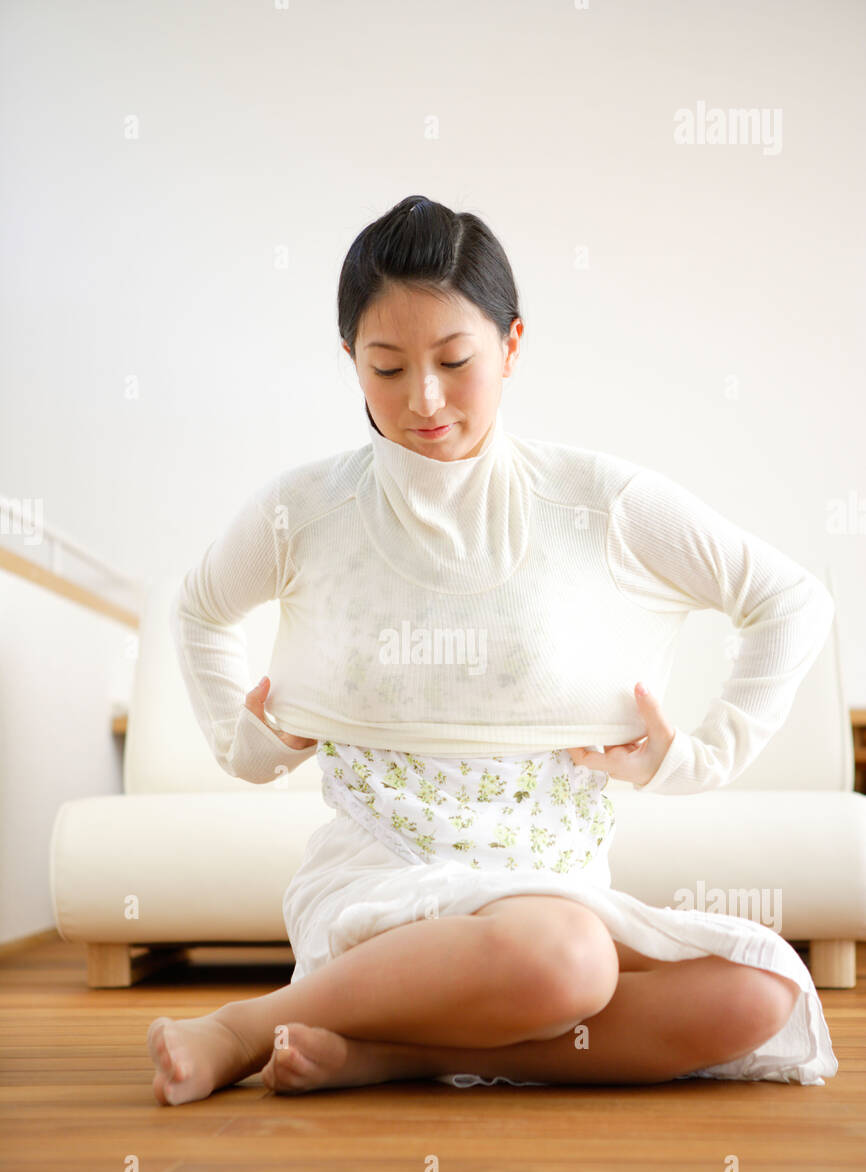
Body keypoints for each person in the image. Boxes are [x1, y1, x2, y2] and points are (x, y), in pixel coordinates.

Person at [148, 195, 837, 1106]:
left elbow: (789, 597)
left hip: (549, 893)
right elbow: (199, 608)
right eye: (386, 367)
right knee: (568, 963)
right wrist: (248, 746)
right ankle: (248, 1023)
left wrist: (698, 757)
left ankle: (395, 1056)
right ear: (350, 359)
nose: (423, 399)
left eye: (455, 361)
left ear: (512, 346)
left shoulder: (599, 501)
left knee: (764, 992)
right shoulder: (306, 509)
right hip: (386, 889)